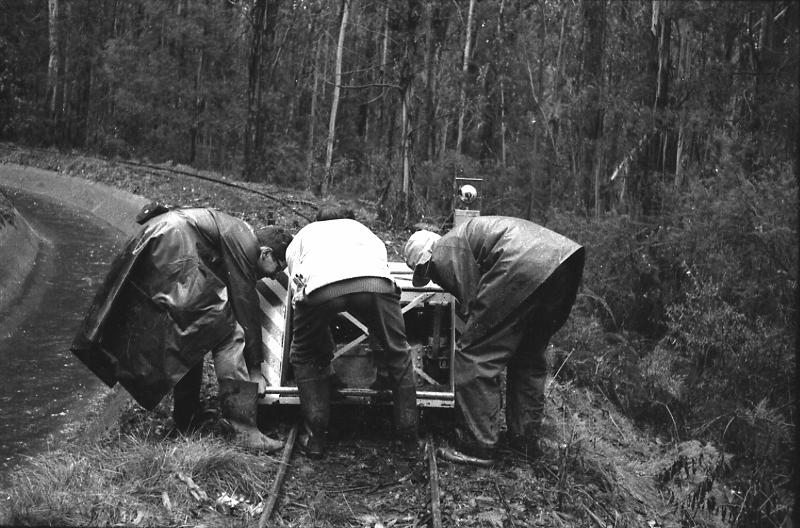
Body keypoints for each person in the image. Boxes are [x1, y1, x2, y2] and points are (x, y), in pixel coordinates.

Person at [71, 206, 293, 452]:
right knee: (228, 334)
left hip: (163, 241)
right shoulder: (246, 243)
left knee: (193, 333)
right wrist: (254, 368)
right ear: (265, 254)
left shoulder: (239, 231)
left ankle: (186, 418)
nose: (275, 277)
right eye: (278, 268)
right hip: (173, 247)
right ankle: (245, 431)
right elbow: (245, 304)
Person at [404, 216, 584, 467]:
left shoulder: (444, 248)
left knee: (473, 356)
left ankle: (476, 446)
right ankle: (524, 444)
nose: (431, 276)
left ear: (426, 257)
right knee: (528, 359)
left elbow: (472, 302)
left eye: (426, 271)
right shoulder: (465, 238)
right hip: (565, 261)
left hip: (524, 266)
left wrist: (476, 339)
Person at [285, 212, 418, 458]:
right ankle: (410, 441)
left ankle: (315, 438)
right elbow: (381, 268)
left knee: (303, 354)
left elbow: (297, 286)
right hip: (374, 284)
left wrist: (314, 343)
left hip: (322, 287)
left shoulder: (304, 235)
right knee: (398, 352)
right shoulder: (365, 231)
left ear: (317, 220)